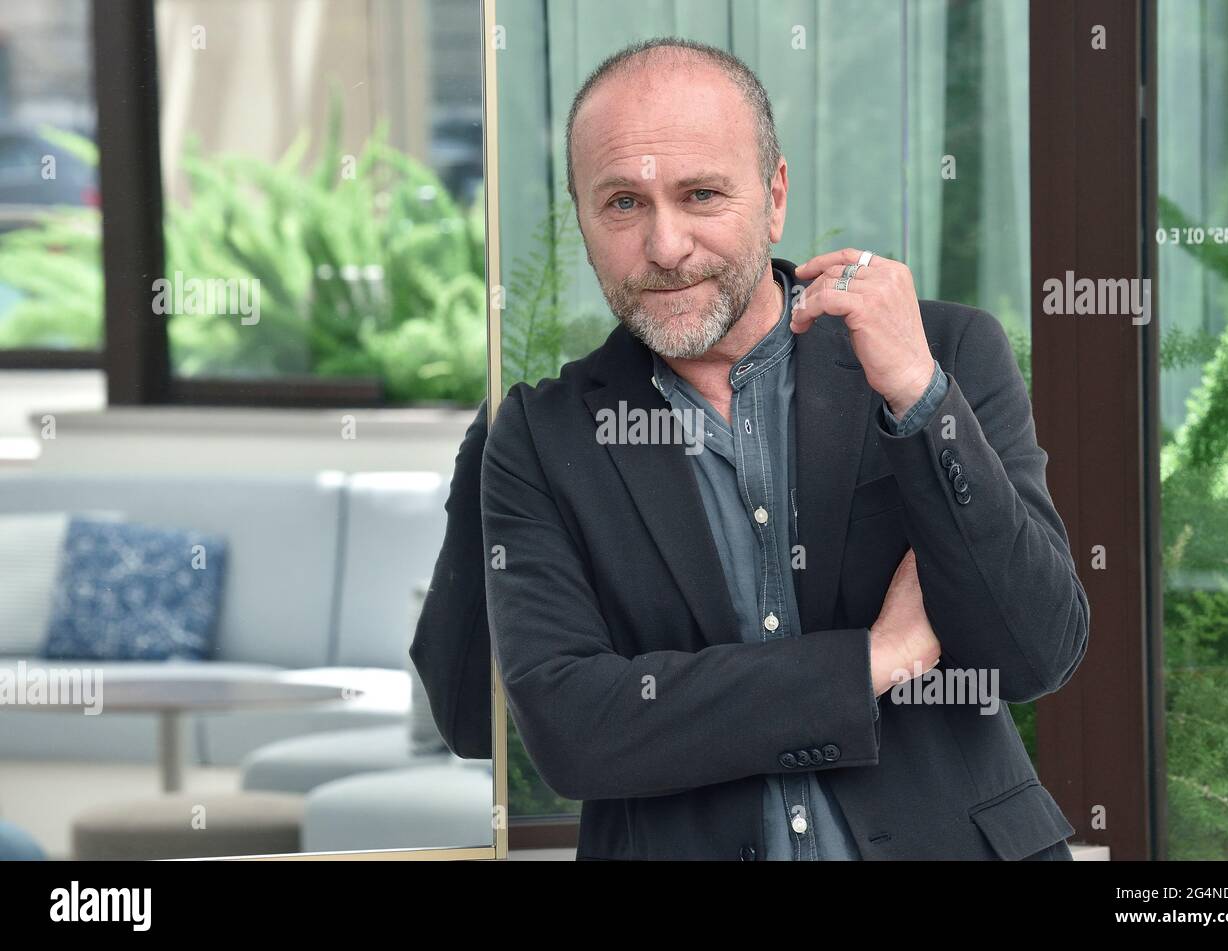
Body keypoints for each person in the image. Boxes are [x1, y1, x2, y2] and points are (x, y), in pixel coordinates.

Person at [420, 36, 1089, 860]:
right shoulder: (539, 434)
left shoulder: (939, 352)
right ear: (582, 219)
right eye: (623, 203)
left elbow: (1035, 652)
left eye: (700, 195)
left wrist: (919, 398)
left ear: (774, 197)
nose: (665, 247)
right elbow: (572, 730)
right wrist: (872, 661)